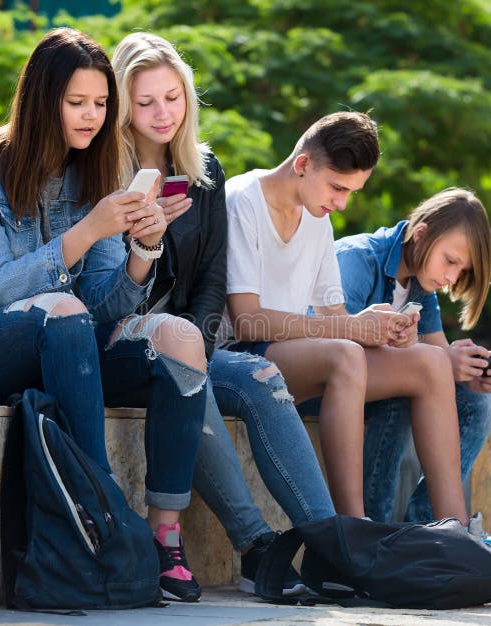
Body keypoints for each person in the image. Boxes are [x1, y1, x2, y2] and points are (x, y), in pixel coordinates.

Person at [0, 28, 207, 603]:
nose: (91, 117)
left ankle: (164, 538)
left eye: (100, 104)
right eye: (76, 103)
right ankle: (102, 517)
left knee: (181, 339)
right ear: (42, 101)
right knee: (60, 311)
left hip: (61, 345)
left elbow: (102, 309)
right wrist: (88, 230)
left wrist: (144, 247)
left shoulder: (96, 171)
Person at [111, 32, 336, 595]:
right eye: (145, 102)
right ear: (123, 105)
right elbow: (99, 284)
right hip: (119, 339)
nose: (163, 113)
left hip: (197, 341)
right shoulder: (102, 168)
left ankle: (334, 546)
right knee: (184, 359)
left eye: (173, 97)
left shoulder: (203, 167)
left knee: (262, 374)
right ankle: (255, 545)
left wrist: (202, 349)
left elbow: (211, 277)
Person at [220, 111, 471, 526]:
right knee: (345, 356)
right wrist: (351, 329)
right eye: (338, 187)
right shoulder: (242, 200)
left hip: (296, 359)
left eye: (352, 191)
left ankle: (455, 532)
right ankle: (354, 531)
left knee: (430, 362)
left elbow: (334, 314)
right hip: (239, 359)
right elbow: (247, 320)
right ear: (303, 165)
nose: (341, 203)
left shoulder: (316, 217)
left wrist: (382, 331)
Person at [334, 187, 491, 524]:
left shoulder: (420, 286)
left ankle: (429, 523)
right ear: (421, 234)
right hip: (320, 384)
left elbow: (437, 358)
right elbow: (331, 345)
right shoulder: (358, 259)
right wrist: (439, 360)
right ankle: (374, 528)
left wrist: (471, 373)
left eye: (461, 272)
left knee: (478, 401)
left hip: (372, 385)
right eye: (450, 261)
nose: (450, 278)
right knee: (406, 387)